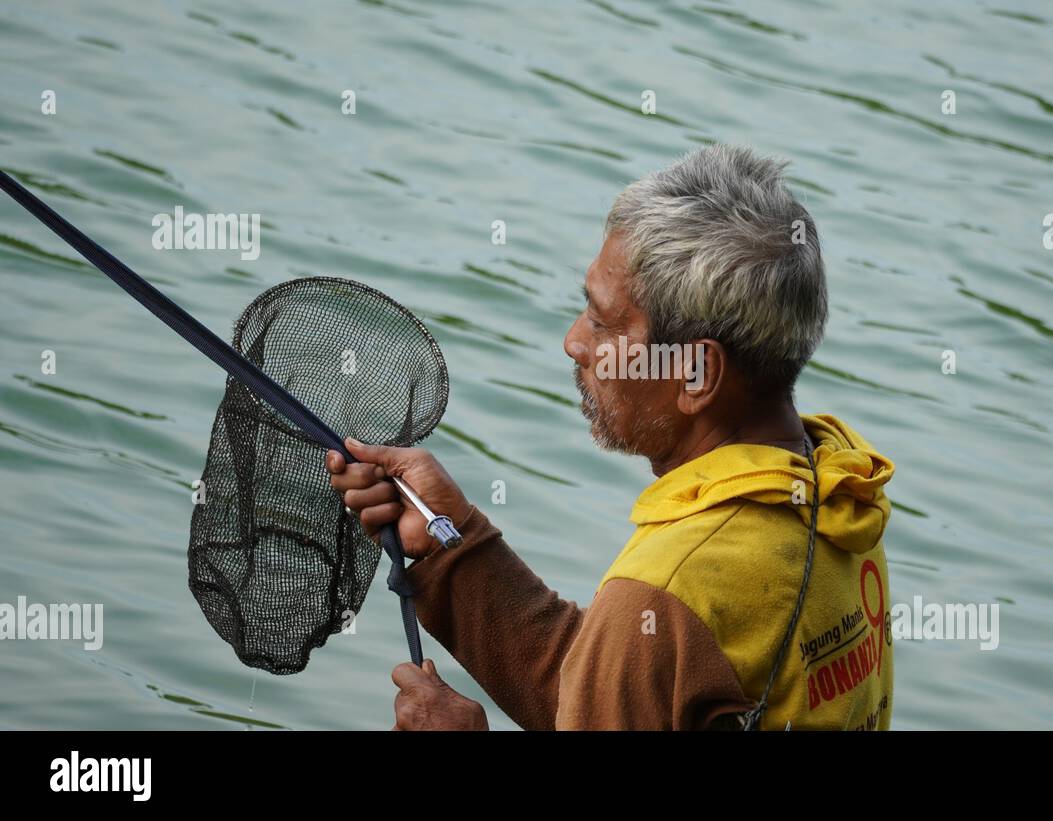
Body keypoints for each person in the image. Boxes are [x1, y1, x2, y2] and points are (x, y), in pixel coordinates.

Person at [326, 144, 896, 730]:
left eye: (602, 320)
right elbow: (619, 694)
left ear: (695, 374)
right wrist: (453, 548)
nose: (575, 342)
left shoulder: (668, 590)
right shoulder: (836, 497)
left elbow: (634, 658)